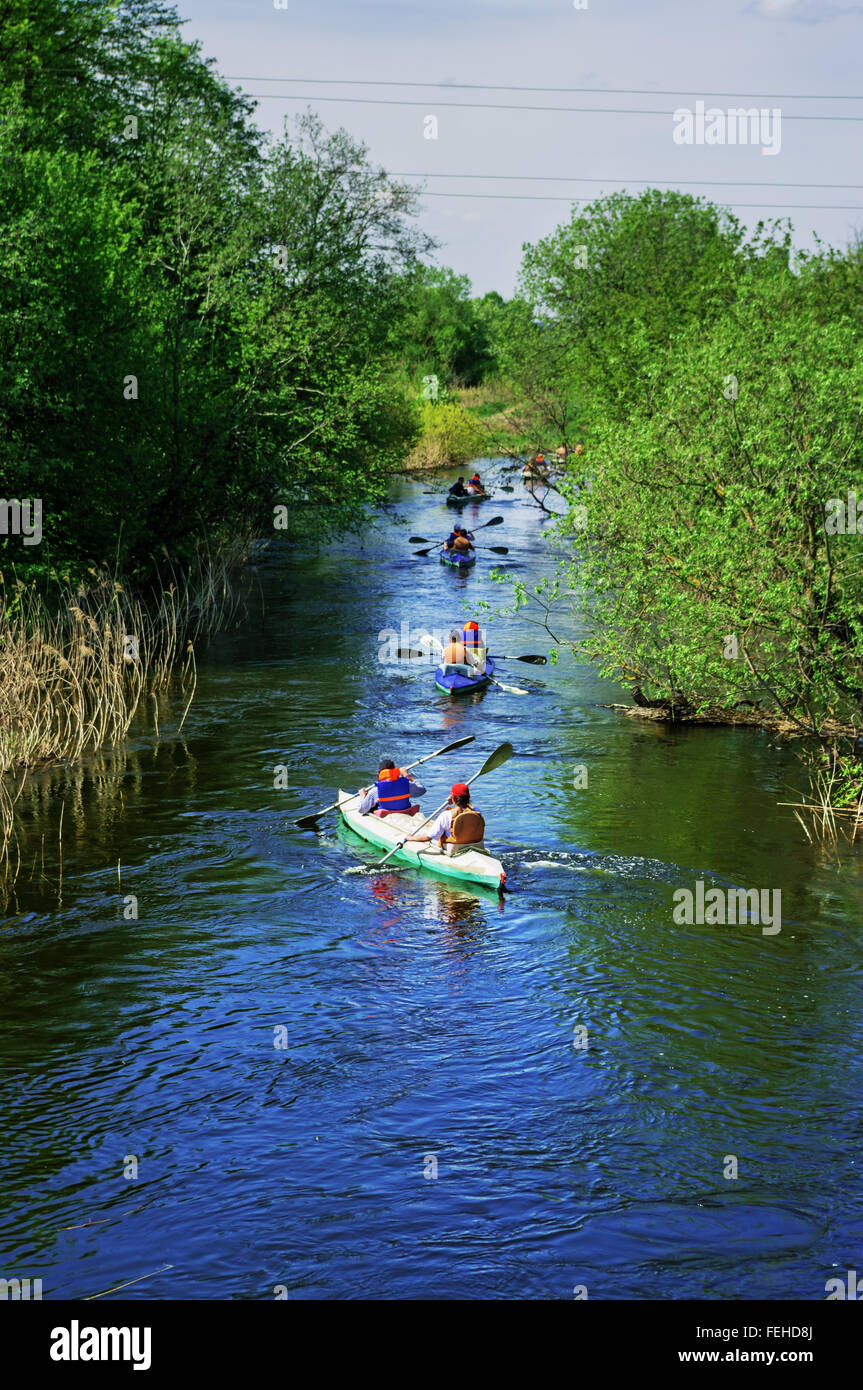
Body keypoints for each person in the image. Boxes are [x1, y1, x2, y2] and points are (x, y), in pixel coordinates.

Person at [405, 782, 486, 853]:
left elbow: (428, 837)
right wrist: (456, 799)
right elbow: (469, 806)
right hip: (475, 845)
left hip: (454, 848)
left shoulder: (446, 815)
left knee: (429, 833)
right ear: (468, 798)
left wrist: (411, 838)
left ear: (453, 798)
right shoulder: (477, 812)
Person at [357, 759, 426, 817]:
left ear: (379, 773)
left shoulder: (376, 790)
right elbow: (422, 790)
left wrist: (363, 796)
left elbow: (361, 810)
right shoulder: (406, 785)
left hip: (386, 817)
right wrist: (406, 775)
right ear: (395, 771)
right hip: (405, 813)